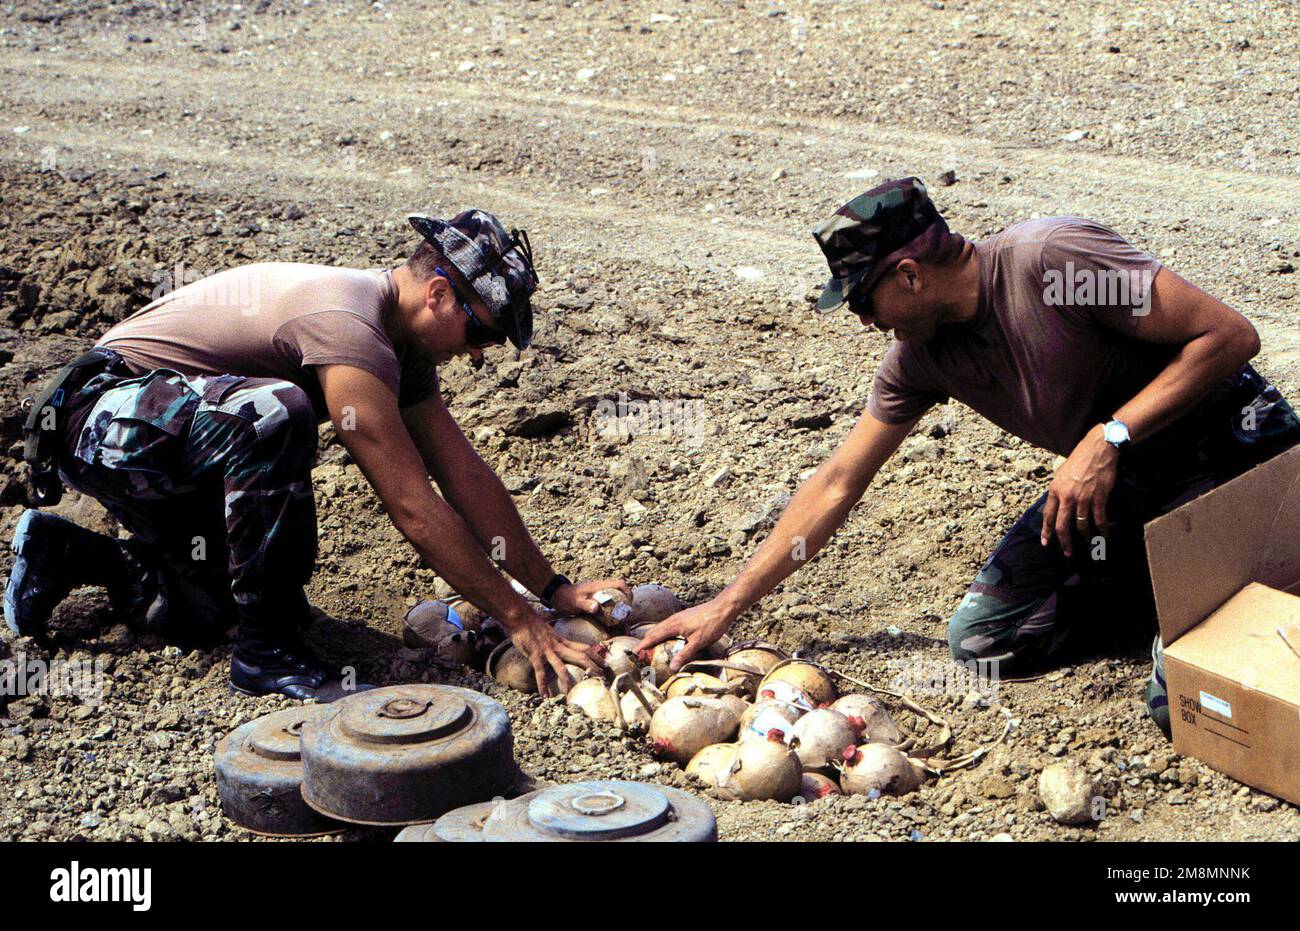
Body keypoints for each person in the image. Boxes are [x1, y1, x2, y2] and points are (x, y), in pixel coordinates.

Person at [638, 178, 1300, 736]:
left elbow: (1230, 334)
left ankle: (1243, 575)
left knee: (1180, 699)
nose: (866, 322)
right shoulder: (921, 357)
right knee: (984, 638)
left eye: (864, 301)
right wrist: (725, 606)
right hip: (1121, 490)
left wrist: (1109, 435)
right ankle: (1173, 589)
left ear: (909, 274)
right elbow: (838, 482)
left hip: (1236, 455)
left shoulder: (1055, 261)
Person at [6, 209, 623, 700]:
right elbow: (410, 503)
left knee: (204, 611)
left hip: (173, 444)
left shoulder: (401, 349)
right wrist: (518, 620)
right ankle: (265, 656)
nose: (481, 353)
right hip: (99, 415)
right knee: (274, 413)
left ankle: (70, 553)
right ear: (439, 293)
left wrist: (550, 588)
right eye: (483, 331)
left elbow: (462, 474)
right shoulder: (349, 323)